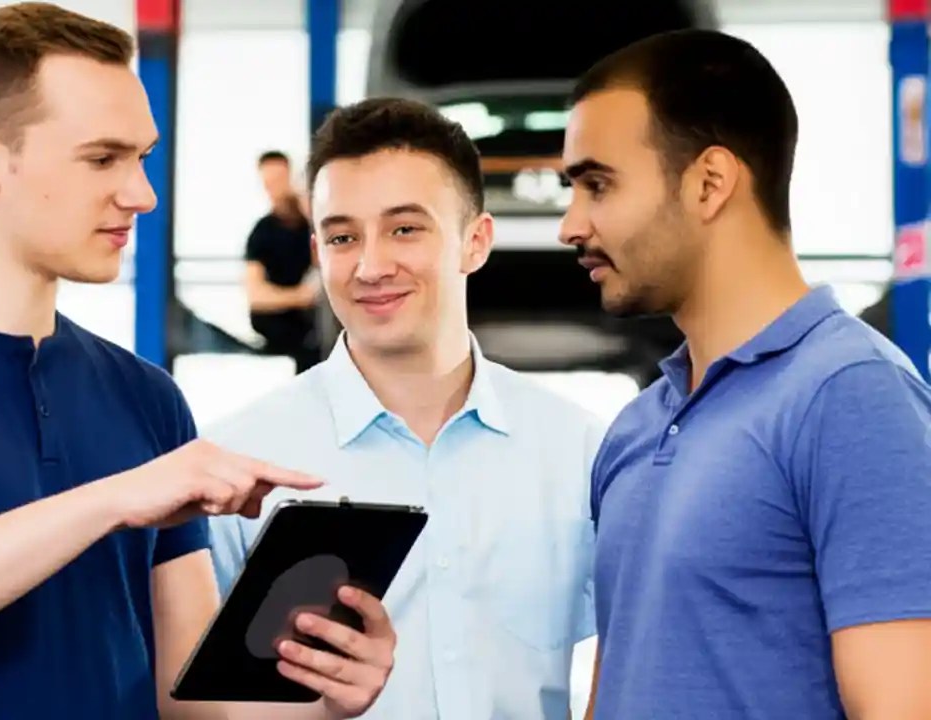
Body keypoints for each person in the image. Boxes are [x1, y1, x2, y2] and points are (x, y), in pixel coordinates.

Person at [0, 4, 397, 719]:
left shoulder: (146, 398)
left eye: (142, 158)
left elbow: (189, 698)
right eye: (102, 159)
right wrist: (113, 500)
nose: (141, 194)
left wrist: (322, 700)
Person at [559, 28, 931, 720]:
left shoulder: (852, 396)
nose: (570, 224)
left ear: (709, 183)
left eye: (596, 184)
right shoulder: (636, 428)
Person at [207, 97, 608, 719]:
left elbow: (630, 651)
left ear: (475, 242)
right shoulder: (237, 463)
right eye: (343, 237)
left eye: (405, 228)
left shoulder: (578, 451)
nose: (371, 266)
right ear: (318, 252)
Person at [244, 150, 322, 373]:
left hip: (312, 318)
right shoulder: (262, 233)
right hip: (281, 321)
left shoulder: (311, 223)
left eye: (280, 180)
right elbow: (256, 296)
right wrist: (300, 297)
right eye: (269, 183)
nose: (276, 190)